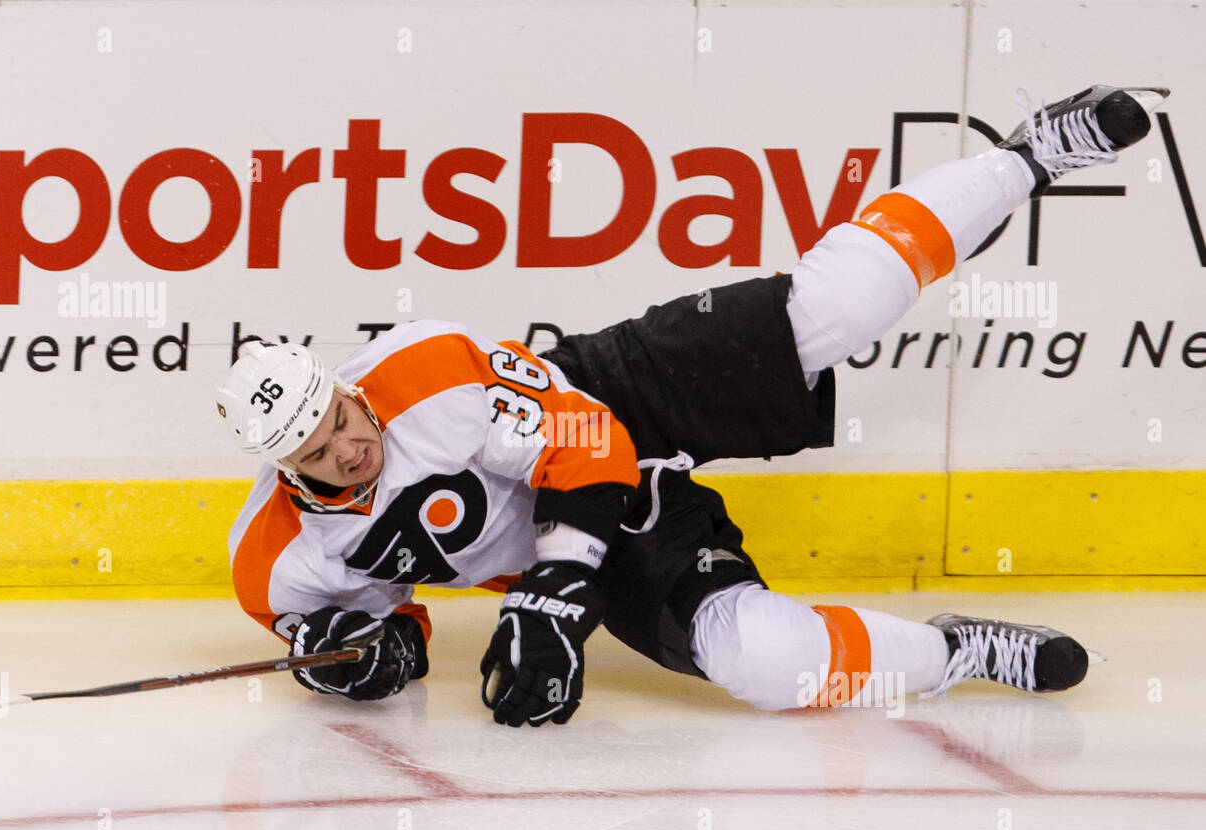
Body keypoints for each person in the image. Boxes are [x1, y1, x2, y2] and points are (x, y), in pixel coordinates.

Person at [216, 84, 1167, 726]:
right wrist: (364, 664)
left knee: (835, 305)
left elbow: (587, 443)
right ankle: (956, 652)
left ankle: (1026, 158)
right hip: (609, 533)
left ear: (343, 384)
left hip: (610, 394)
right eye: (315, 451)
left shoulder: (422, 373)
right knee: (762, 662)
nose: (347, 446)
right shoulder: (275, 565)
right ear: (280, 468)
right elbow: (385, 629)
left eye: (340, 414)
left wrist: (554, 596)